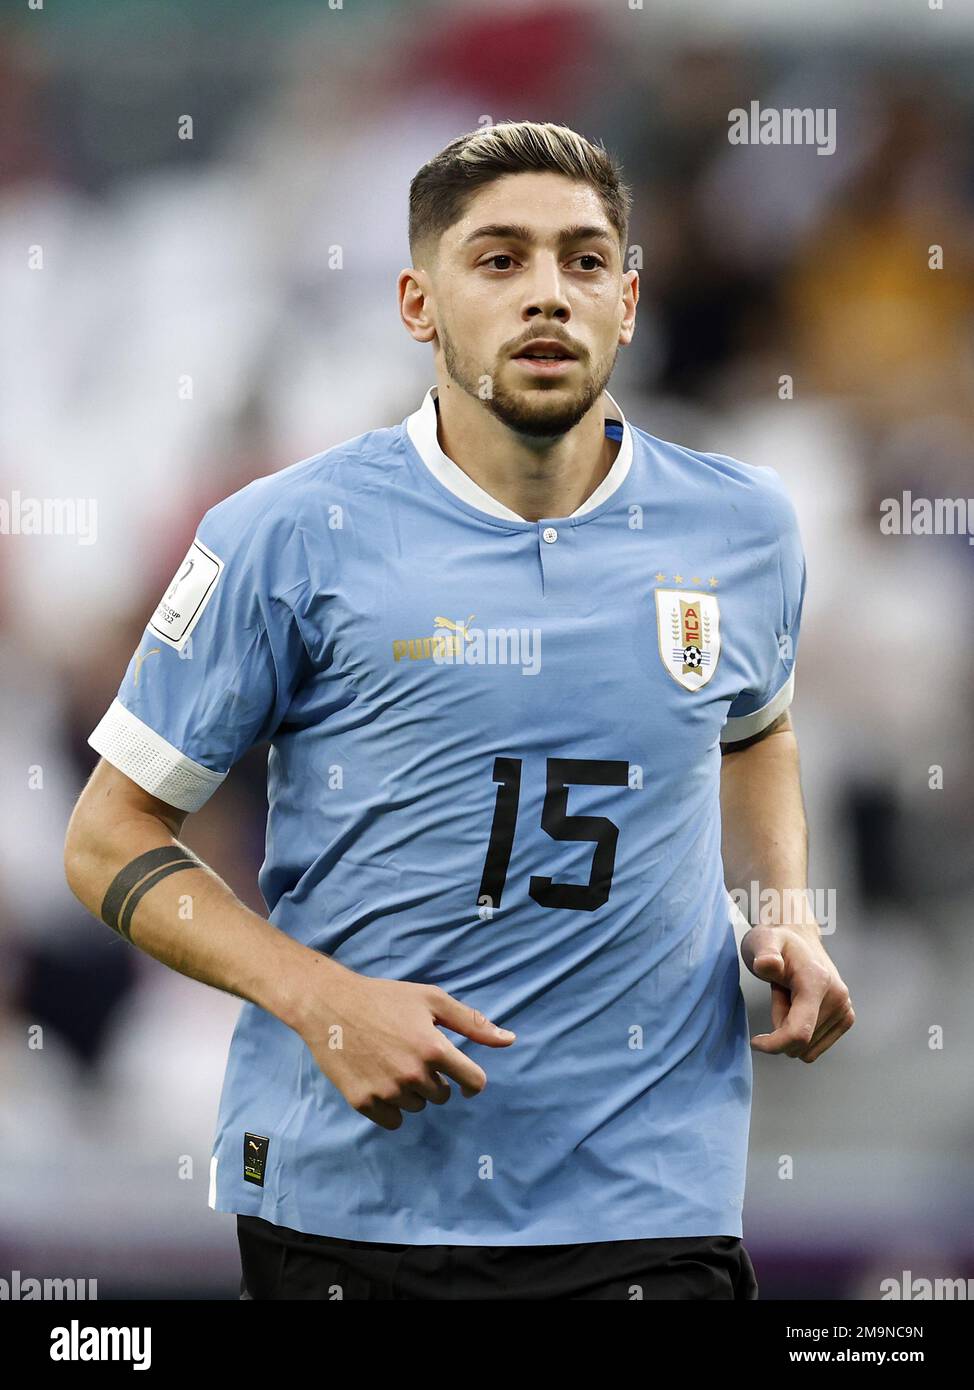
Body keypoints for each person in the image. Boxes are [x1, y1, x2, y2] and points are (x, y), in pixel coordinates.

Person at [64, 120, 854, 1301]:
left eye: (584, 261)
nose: (547, 294)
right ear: (416, 302)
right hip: (350, 1200)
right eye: (498, 259)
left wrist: (785, 909)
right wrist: (321, 1002)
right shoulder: (282, 535)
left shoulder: (740, 524)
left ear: (628, 301)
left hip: (646, 1195)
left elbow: (756, 726)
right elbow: (106, 836)